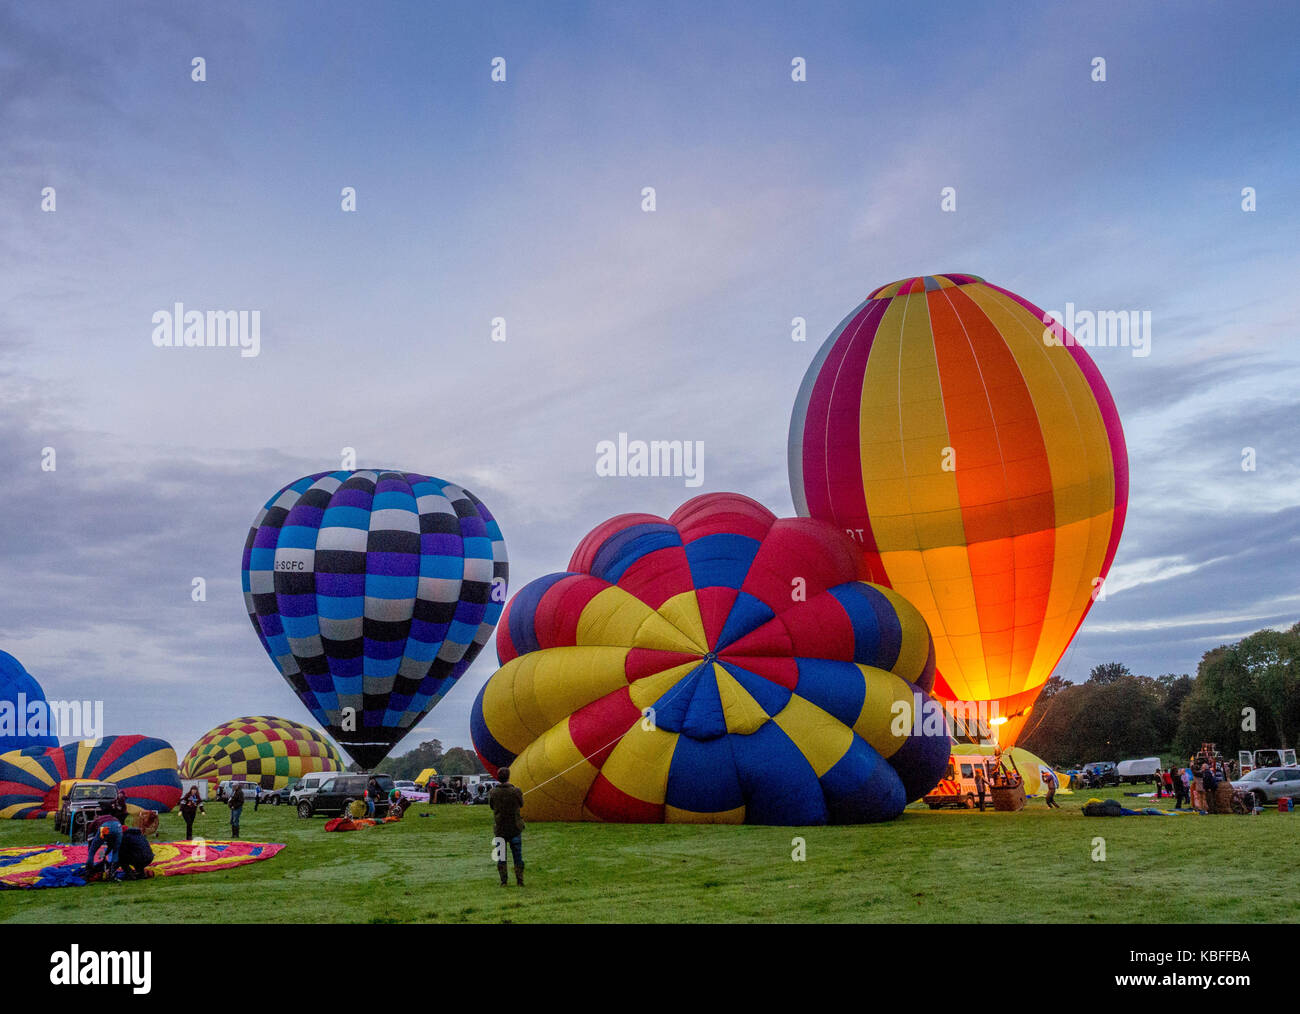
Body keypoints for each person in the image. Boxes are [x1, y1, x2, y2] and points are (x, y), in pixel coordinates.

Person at [489, 766, 526, 887]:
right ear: (509, 777)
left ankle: (503, 881)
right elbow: (521, 804)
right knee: (517, 856)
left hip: (500, 829)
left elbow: (492, 806)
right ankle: (520, 881)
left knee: (501, 857)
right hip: (515, 828)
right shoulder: (516, 791)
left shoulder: (493, 792)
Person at [83, 815, 123, 883]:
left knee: (92, 851)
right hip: (118, 827)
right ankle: (112, 874)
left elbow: (90, 841)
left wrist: (91, 851)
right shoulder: (113, 818)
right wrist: (105, 854)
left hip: (105, 827)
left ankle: (89, 872)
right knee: (116, 851)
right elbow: (111, 845)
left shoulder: (93, 824)